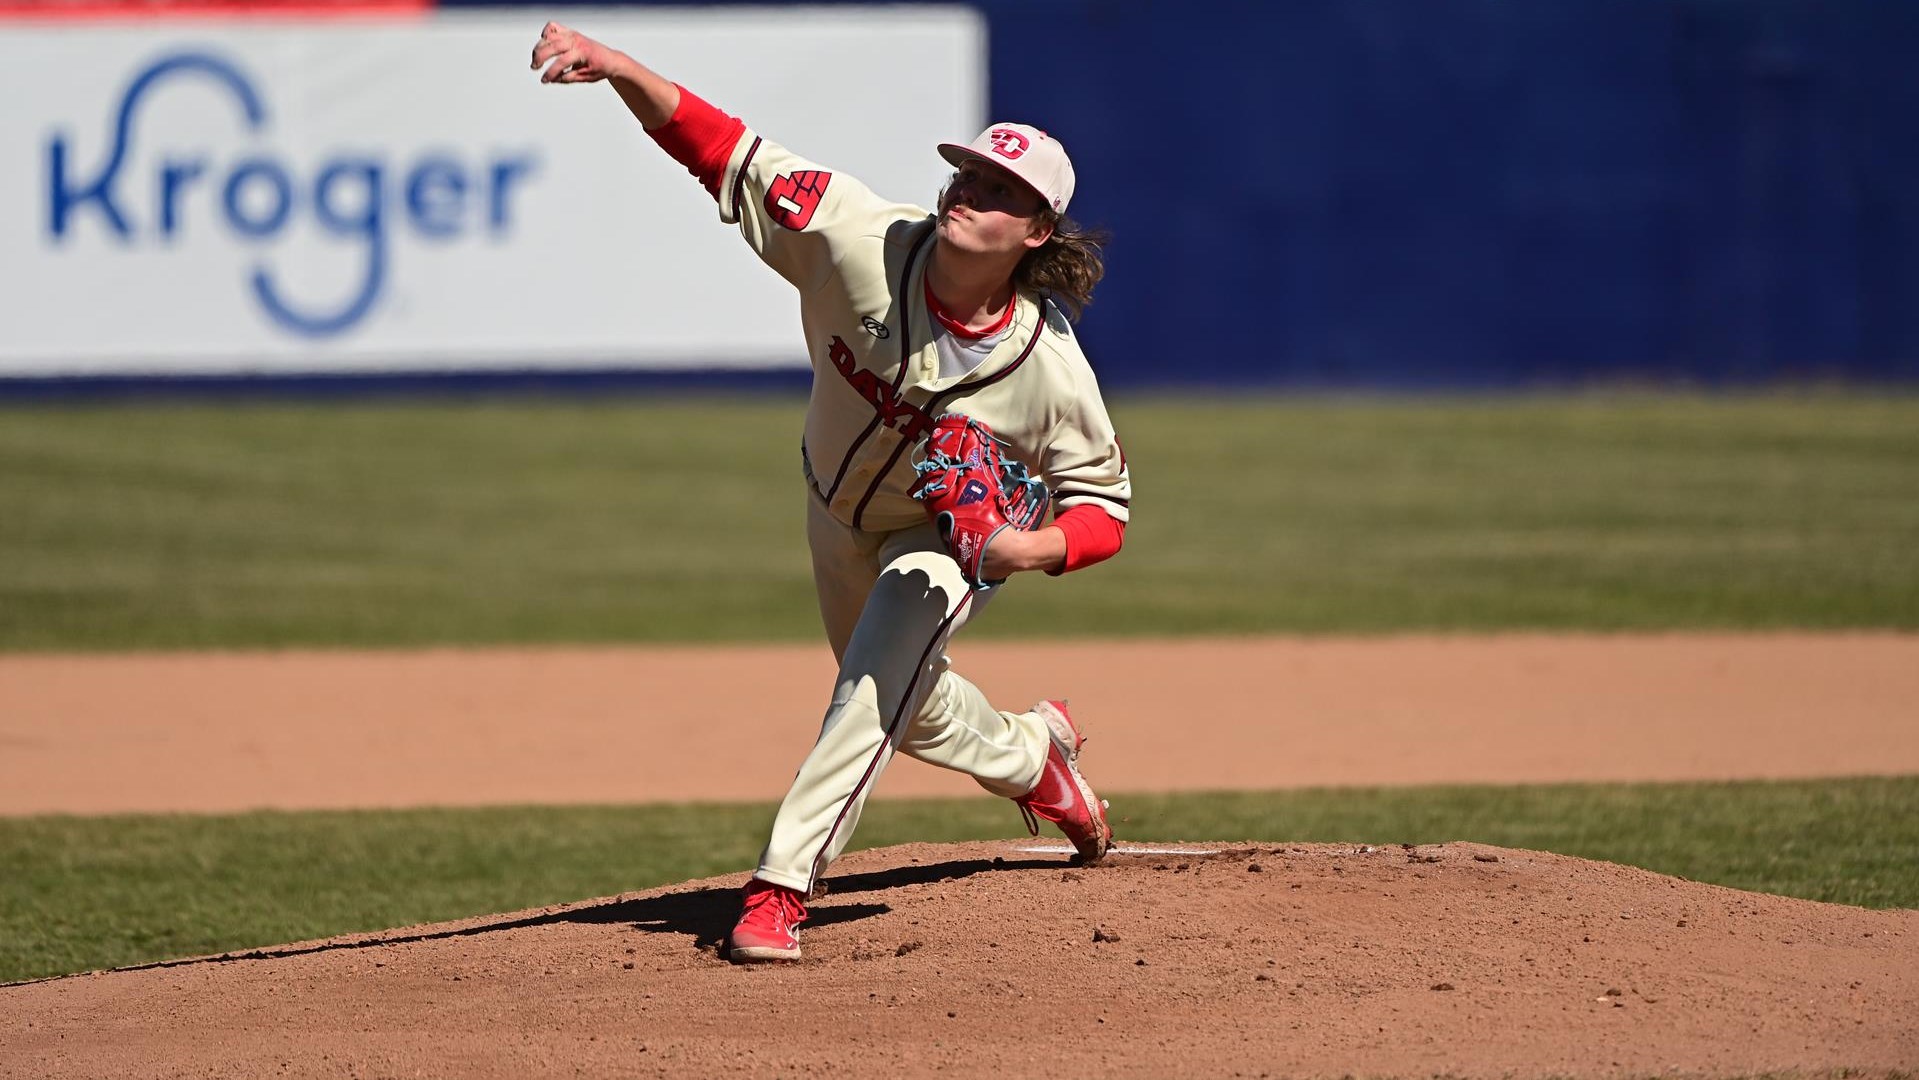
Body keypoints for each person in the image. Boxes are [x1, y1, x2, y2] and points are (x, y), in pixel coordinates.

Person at [531, 22, 1132, 963]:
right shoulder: (858, 237)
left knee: (867, 687)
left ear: (1036, 232)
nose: (971, 194)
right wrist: (617, 67)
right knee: (908, 702)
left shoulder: (1050, 370)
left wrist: (1026, 549)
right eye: (969, 175)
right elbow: (720, 147)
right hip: (828, 512)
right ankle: (1033, 759)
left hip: (938, 541)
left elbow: (1104, 510)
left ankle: (780, 887)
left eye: (1001, 192)